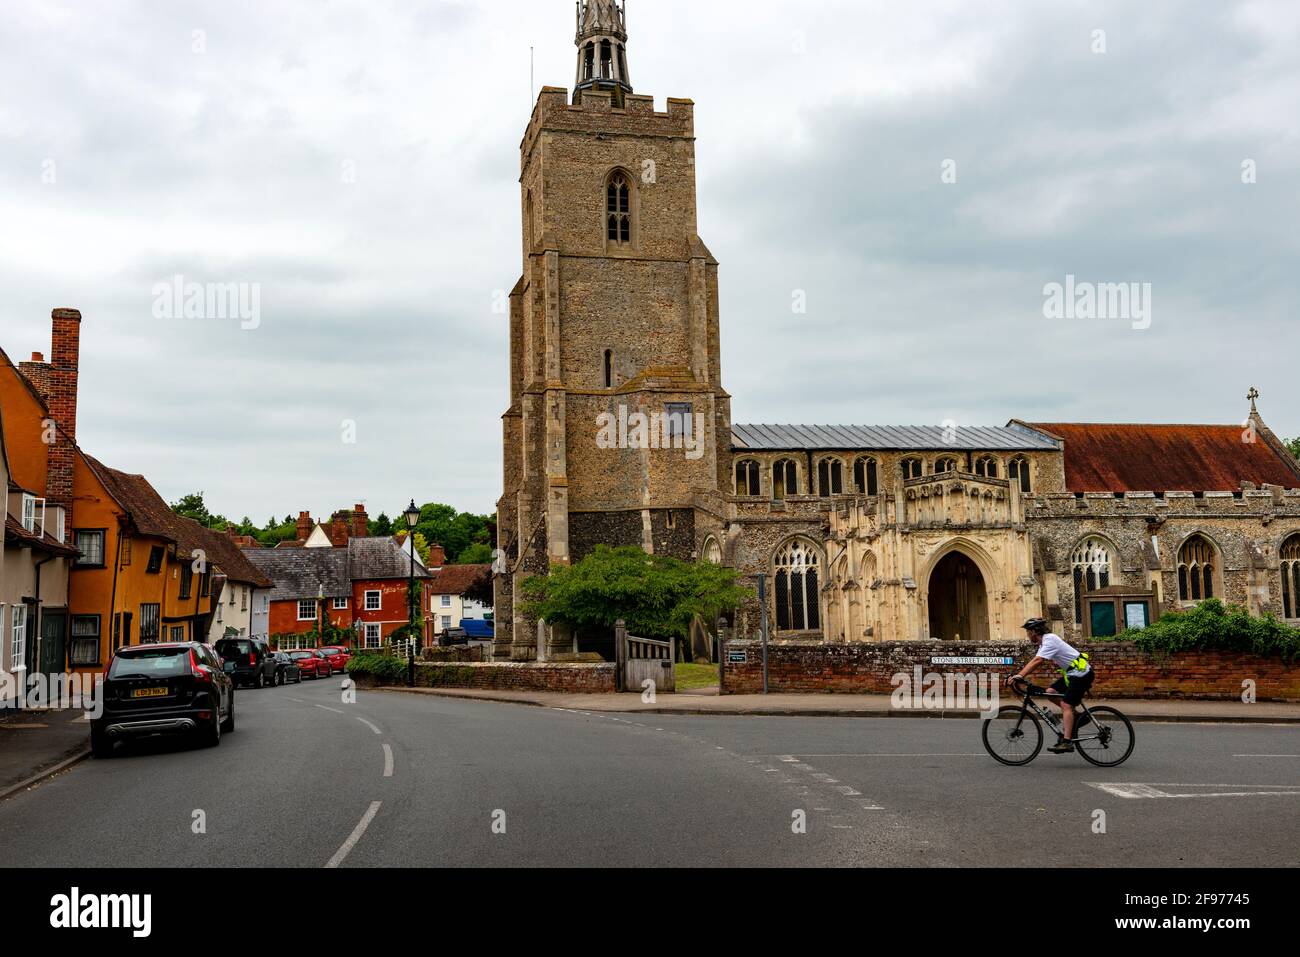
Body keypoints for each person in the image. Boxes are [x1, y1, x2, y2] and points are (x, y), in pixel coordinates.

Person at [1006, 618, 1095, 753]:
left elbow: (1038, 660)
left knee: (1066, 705)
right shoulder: (1044, 644)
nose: (1028, 635)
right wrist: (1020, 675)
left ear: (1035, 631)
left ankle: (1067, 742)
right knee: (1050, 692)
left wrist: (1019, 676)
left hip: (1082, 674)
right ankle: (1075, 717)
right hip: (1071, 675)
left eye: (1028, 632)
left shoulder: (1050, 640)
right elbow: (1034, 661)